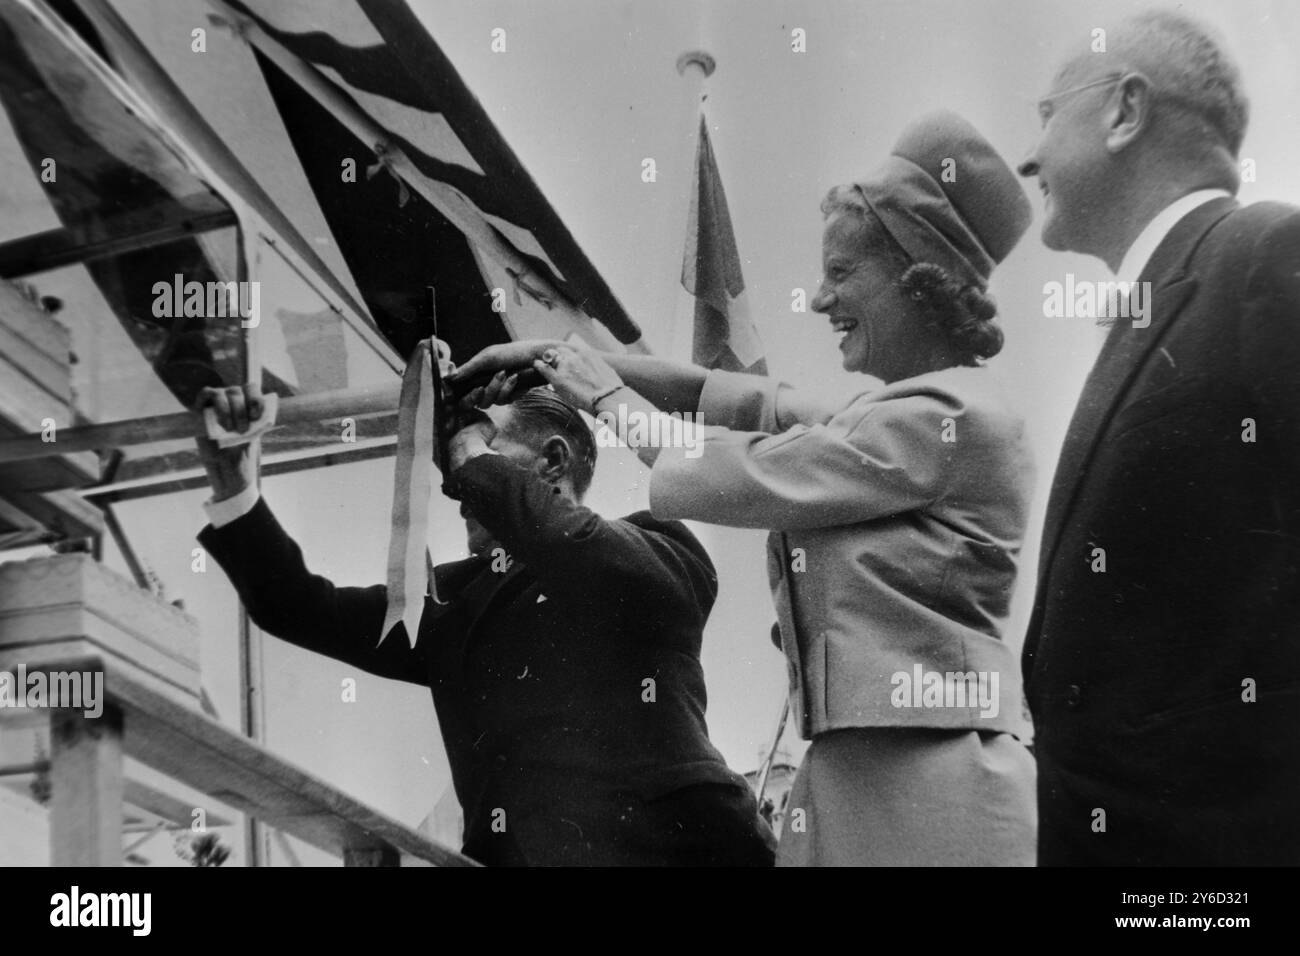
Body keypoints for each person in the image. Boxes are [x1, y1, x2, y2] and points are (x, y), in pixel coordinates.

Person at [454, 110, 1038, 866]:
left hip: (937, 791)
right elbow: (725, 395)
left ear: (915, 276)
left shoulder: (956, 418)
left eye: (842, 273)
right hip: (858, 777)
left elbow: (751, 470)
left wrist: (603, 398)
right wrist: (554, 357)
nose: (821, 300)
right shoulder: (893, 418)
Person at [192, 384, 776, 866]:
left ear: (552, 461)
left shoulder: (658, 546)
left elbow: (571, 543)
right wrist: (233, 484)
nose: (456, 485)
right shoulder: (453, 602)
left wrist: (470, 446)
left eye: (477, 453)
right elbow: (298, 606)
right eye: (453, 466)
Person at [1016, 9, 1300, 865]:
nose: (1029, 158)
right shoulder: (1159, 303)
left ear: (1123, 112)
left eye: (1045, 115)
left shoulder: (1263, 255)